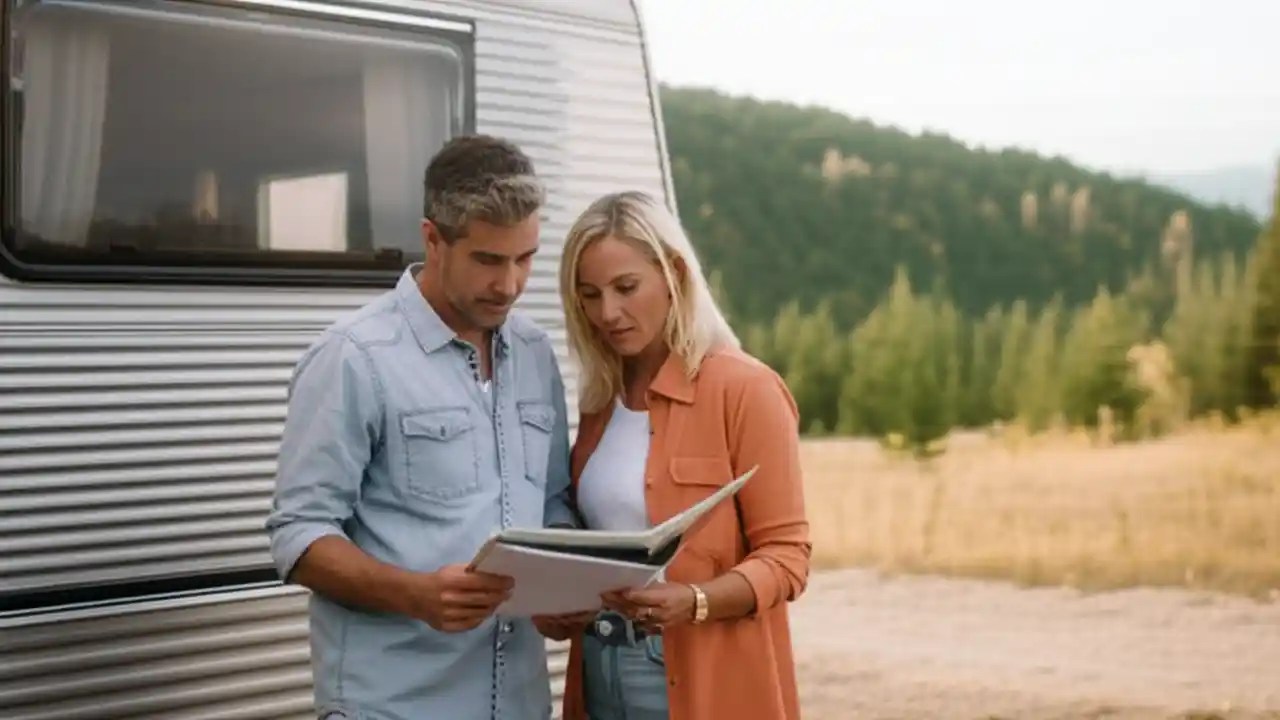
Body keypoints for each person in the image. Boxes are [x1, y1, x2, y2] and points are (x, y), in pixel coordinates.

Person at [265, 134, 576, 720]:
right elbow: (299, 534)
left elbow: (553, 503)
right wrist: (416, 595)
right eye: (488, 260)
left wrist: (562, 591)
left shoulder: (535, 353)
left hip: (520, 705)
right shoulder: (353, 357)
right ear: (433, 239)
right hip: (392, 706)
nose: (509, 285)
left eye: (525, 259)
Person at [534, 190, 811, 719]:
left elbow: (788, 557)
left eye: (626, 287)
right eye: (589, 295)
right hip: (596, 663)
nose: (607, 313)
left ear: (675, 274)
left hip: (699, 675)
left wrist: (696, 600)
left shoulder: (746, 390)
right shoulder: (600, 401)